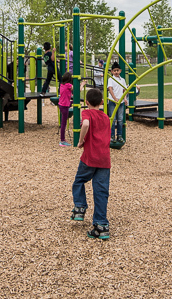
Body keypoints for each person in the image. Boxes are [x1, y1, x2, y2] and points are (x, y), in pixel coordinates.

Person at [70, 87, 112, 240]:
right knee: (101, 191)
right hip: (104, 160)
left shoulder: (87, 112)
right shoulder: (106, 117)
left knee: (79, 181)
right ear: (101, 102)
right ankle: (101, 226)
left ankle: (80, 207)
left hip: (89, 157)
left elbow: (86, 124)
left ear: (86, 102)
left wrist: (81, 140)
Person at [106, 62, 136, 144]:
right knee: (113, 119)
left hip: (121, 102)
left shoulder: (122, 80)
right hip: (113, 101)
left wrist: (125, 98)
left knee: (120, 119)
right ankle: (112, 136)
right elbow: (110, 89)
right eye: (114, 70)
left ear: (120, 71)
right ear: (111, 71)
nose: (116, 72)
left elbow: (124, 90)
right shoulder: (111, 79)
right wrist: (115, 99)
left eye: (117, 70)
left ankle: (119, 135)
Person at [58, 72, 86, 147]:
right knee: (63, 124)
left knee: (75, 102)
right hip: (64, 105)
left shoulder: (62, 84)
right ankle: (62, 140)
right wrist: (82, 84)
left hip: (62, 104)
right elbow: (77, 90)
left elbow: (69, 92)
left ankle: (63, 139)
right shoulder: (68, 85)